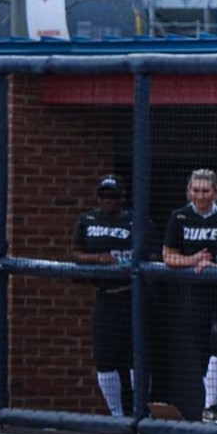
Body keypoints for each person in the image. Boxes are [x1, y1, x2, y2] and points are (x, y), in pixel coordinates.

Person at [161, 168, 217, 423]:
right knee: (206, 358)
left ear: (215, 192)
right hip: (195, 295)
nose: (200, 196)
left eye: (206, 191)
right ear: (188, 191)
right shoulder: (179, 217)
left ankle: (210, 407)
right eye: (196, 190)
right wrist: (192, 260)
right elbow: (168, 256)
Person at [71, 175, 134, 417]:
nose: (107, 201)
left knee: (133, 359)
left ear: (121, 197)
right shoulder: (87, 220)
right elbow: (76, 253)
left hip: (132, 297)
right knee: (105, 357)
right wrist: (98, 258)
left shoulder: (134, 221)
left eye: (113, 196)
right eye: (103, 196)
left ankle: (138, 412)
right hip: (105, 295)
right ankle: (116, 416)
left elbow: (151, 256)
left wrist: (124, 259)